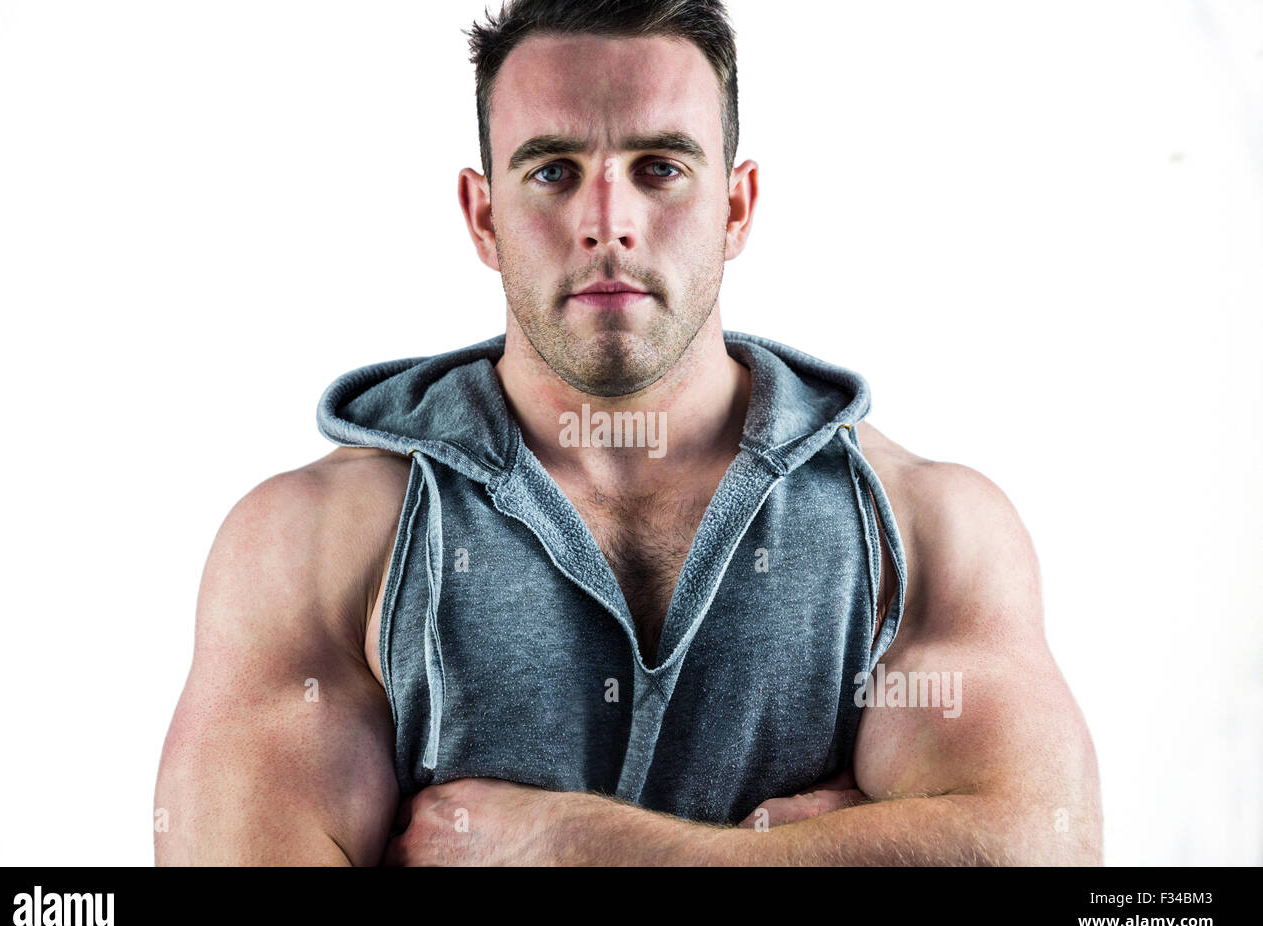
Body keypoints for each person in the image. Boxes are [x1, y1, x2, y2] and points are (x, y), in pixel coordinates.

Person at [154, 0, 1101, 866]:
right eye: (554, 171)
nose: (608, 225)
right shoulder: (315, 545)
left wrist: (582, 848)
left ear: (736, 205)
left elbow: (1046, 863)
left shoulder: (925, 532)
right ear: (484, 218)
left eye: (659, 168)